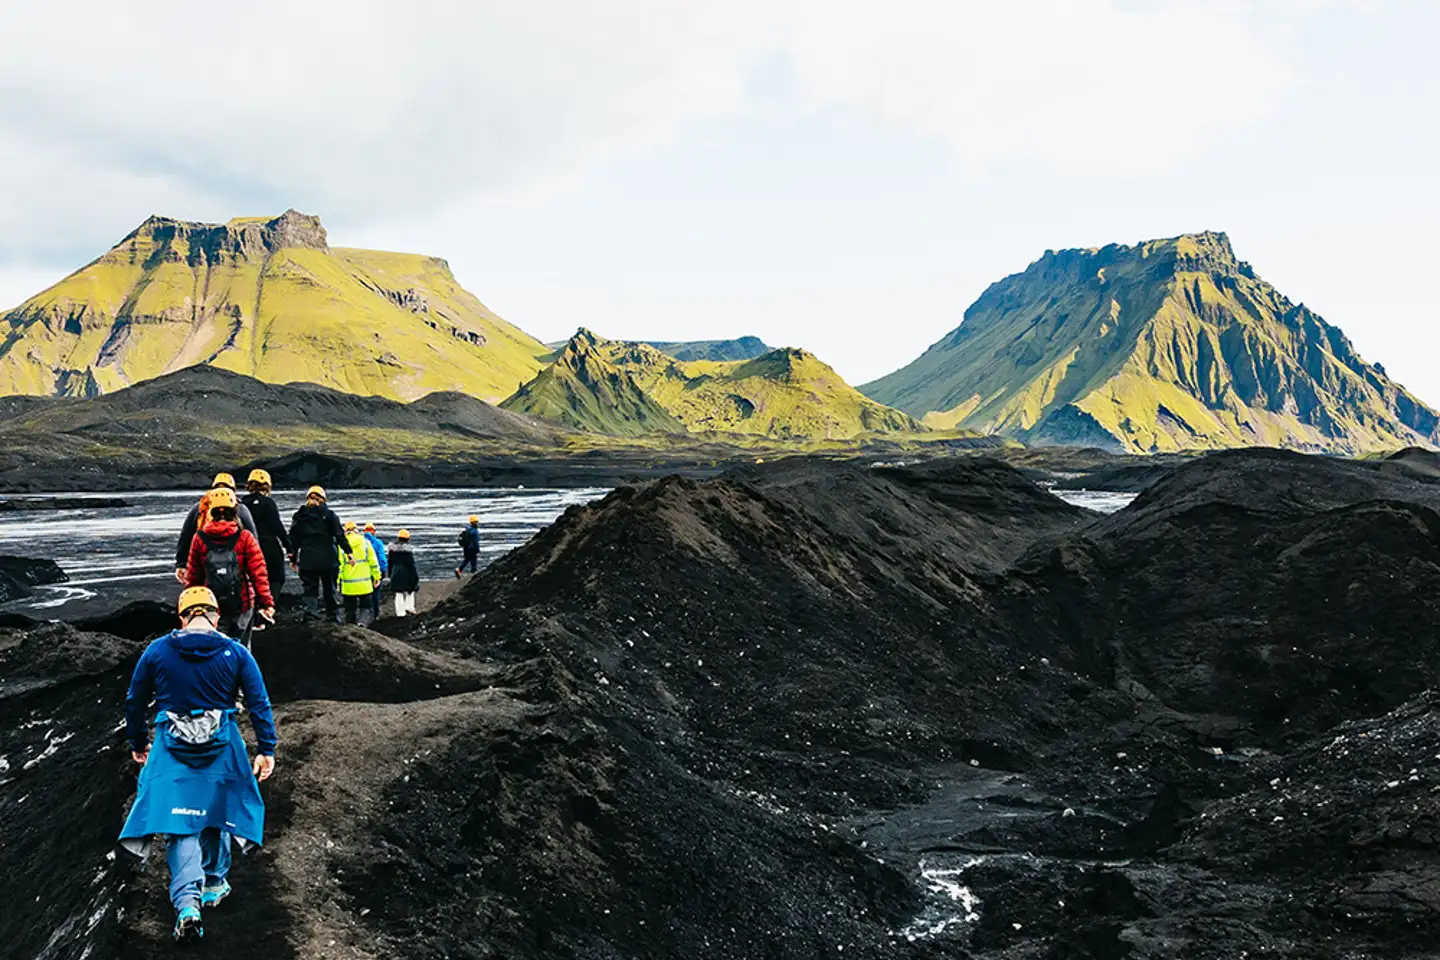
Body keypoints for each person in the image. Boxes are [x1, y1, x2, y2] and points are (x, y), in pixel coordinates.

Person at [119, 586, 277, 943]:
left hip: (171, 748)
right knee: (216, 812)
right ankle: (215, 883)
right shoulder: (235, 653)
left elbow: (135, 700)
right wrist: (266, 748)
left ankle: (187, 906)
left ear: (182, 616)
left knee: (180, 822)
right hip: (222, 746)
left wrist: (139, 742)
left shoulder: (157, 651)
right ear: (216, 615)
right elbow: (259, 702)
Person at [184, 487, 275, 640]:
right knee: (242, 649)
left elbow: (194, 576)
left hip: (212, 603)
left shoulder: (199, 539)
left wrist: (190, 606)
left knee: (215, 646)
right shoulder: (245, 537)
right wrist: (266, 603)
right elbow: (258, 573)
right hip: (242, 602)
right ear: (235, 511)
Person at [175, 474, 259, 584]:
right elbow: (253, 539)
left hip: (205, 564)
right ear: (233, 490)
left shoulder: (199, 508)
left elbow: (185, 537)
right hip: (234, 565)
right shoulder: (241, 509)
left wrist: (181, 563)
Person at [288, 486, 349, 622]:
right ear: (323, 499)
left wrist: (293, 557)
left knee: (310, 589)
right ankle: (333, 616)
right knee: (330, 588)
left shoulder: (300, 516)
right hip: (328, 558)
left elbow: (294, 539)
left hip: (308, 559)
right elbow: (339, 534)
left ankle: (311, 613)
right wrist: (348, 552)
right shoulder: (329, 515)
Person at [240, 469, 292, 598]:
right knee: (276, 578)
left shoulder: (242, 504)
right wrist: (289, 547)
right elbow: (277, 526)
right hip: (269, 546)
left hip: (248, 546)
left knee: (251, 579)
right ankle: (269, 605)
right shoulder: (269, 503)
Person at [338, 521, 381, 624]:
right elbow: (373, 562)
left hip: (348, 585)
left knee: (349, 609)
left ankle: (350, 627)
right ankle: (362, 624)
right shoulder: (366, 543)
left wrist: (337, 581)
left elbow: (339, 565)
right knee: (366, 607)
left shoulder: (342, 545)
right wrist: (377, 576)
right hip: (365, 584)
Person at [388, 528, 420, 617]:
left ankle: (400, 613)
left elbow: (390, 562)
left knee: (398, 593)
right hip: (407, 572)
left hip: (396, 572)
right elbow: (411, 564)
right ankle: (409, 607)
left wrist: (390, 573)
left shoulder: (392, 550)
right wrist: (415, 577)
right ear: (408, 539)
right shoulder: (408, 551)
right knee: (410, 590)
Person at [362, 522, 388, 619]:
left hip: (363, 572)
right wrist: (383, 570)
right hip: (376, 571)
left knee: (365, 594)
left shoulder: (361, 543)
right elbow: (382, 558)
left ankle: (365, 614)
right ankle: (375, 614)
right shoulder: (378, 543)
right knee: (376, 594)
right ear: (374, 532)